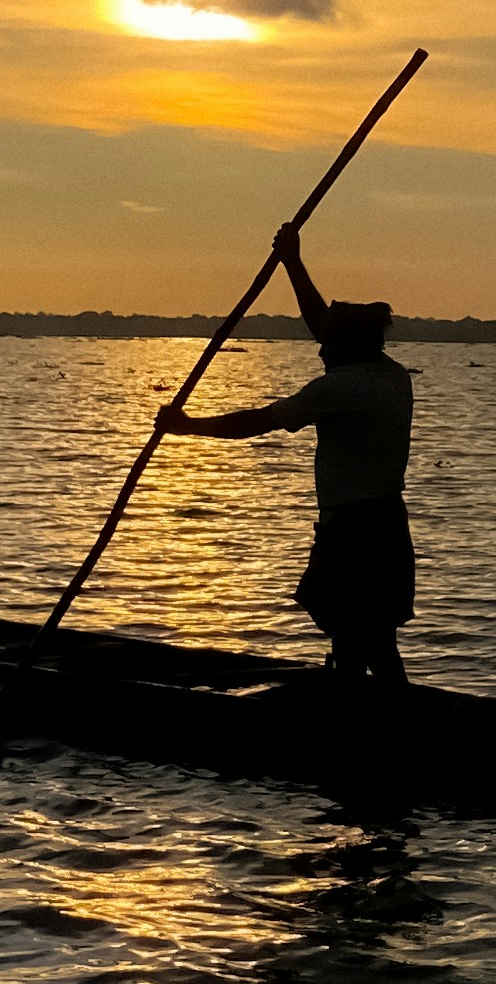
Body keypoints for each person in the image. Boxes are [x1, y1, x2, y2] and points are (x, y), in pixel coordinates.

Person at [156, 222, 414, 686]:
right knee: (362, 635)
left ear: (345, 348)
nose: (319, 351)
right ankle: (366, 708)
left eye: (327, 346)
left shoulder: (340, 387)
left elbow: (257, 421)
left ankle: (384, 718)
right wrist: (294, 263)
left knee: (363, 634)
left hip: (359, 533)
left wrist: (186, 427)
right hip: (381, 525)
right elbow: (323, 325)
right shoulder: (391, 375)